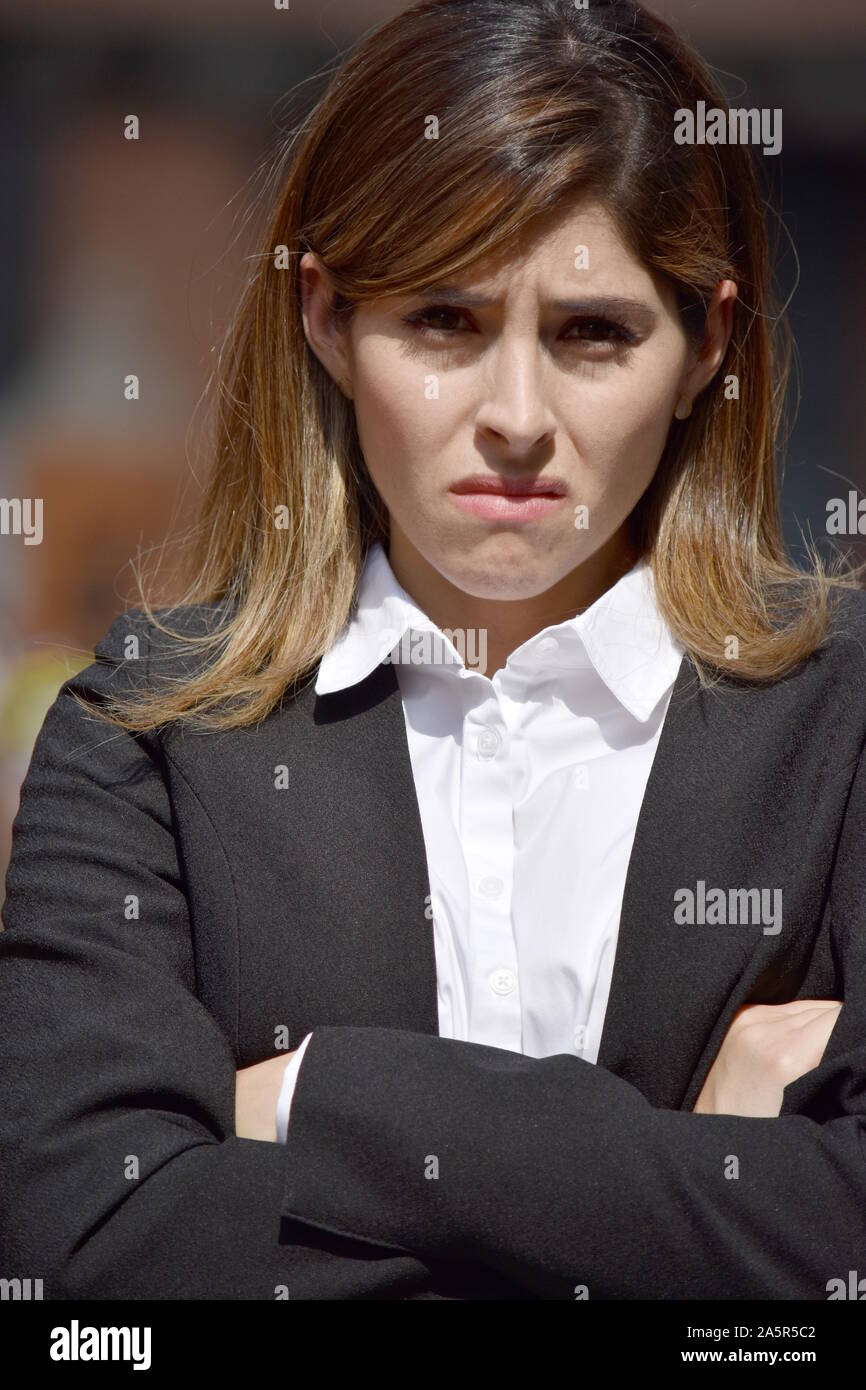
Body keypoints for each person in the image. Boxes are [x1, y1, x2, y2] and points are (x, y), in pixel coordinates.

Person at [2, 0, 865, 1300]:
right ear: (327, 318)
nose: (514, 417)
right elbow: (91, 1260)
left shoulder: (844, 722)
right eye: (444, 323)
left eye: (590, 333)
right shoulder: (144, 735)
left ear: (708, 346)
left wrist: (319, 1096)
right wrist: (698, 1185)